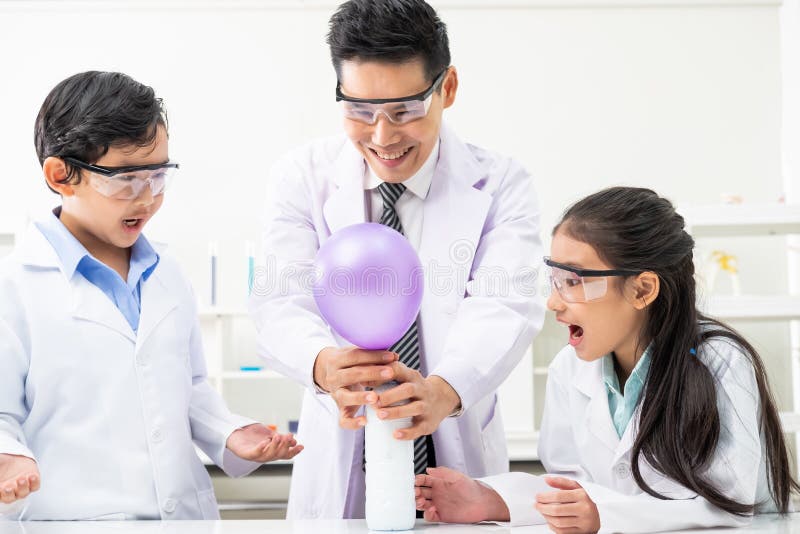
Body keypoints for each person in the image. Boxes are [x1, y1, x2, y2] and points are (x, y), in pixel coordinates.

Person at [248, 0, 544, 519]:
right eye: (360, 112)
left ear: (446, 89)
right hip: (342, 456)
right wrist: (323, 366)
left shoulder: (501, 183)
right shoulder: (301, 177)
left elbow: (505, 305)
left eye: (404, 111)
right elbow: (279, 300)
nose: (382, 137)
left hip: (455, 457)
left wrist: (445, 390)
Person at [0, 71, 302, 521]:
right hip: (71, 521)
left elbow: (191, 387)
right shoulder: (15, 286)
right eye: (126, 178)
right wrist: (9, 456)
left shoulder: (166, 272)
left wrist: (230, 432)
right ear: (62, 175)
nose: (148, 198)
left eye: (158, 175)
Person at [414, 187, 799, 533]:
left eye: (575, 281)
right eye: (555, 279)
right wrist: (489, 499)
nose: (553, 302)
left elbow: (730, 504)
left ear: (642, 289)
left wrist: (605, 516)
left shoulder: (721, 361)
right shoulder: (571, 369)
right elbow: (572, 488)